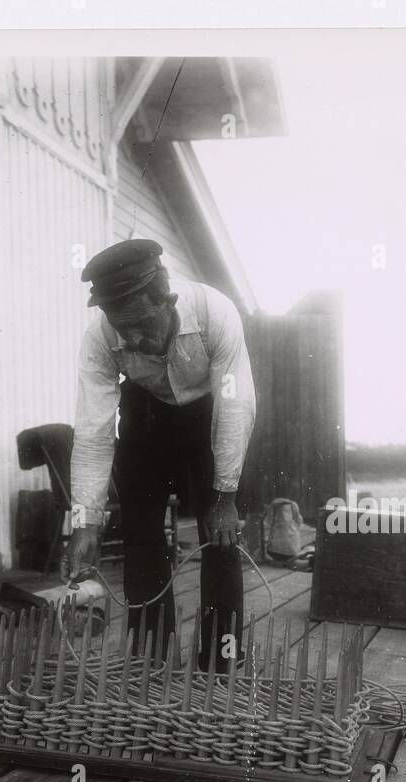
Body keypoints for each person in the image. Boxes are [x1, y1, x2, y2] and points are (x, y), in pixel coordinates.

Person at [62, 240, 256, 665]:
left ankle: (221, 661)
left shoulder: (214, 312)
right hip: (146, 412)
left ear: (166, 300)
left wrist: (225, 497)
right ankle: (152, 659)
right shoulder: (99, 339)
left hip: (209, 411)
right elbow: (94, 432)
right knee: (140, 531)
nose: (131, 339)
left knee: (220, 535)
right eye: (121, 328)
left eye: (141, 325)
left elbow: (235, 407)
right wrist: (86, 522)